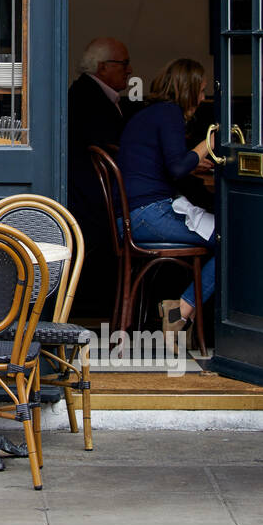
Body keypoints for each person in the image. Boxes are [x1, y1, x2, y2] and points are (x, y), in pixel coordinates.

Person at [116, 58, 215, 332]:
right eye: (201, 90)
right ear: (188, 89)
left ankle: (180, 309)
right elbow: (177, 167)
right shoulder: (169, 113)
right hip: (146, 215)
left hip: (133, 215)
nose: (204, 97)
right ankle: (180, 310)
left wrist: (192, 163)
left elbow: (169, 165)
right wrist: (208, 143)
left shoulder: (152, 113)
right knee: (233, 243)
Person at [67, 38, 133, 318]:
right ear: (104, 67)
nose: (130, 71)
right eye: (124, 64)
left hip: (91, 194)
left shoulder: (93, 92)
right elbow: (111, 147)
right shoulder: (89, 96)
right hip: (92, 198)